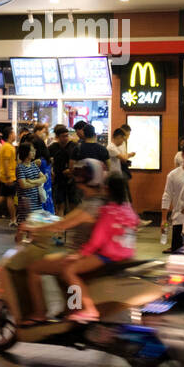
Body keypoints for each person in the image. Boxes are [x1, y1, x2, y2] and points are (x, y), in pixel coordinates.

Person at [18, 159, 109, 324]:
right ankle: (70, 308)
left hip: (82, 254)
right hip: (92, 253)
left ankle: (39, 313)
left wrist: (34, 229)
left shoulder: (90, 206)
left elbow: (62, 224)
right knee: (56, 265)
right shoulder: (99, 201)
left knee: (34, 268)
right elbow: (64, 221)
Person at [160, 142, 184, 254]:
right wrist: (164, 219)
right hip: (179, 219)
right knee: (178, 254)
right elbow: (167, 195)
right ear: (182, 155)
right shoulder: (173, 175)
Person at [14, 141, 46, 219]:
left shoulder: (33, 165)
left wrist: (32, 181)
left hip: (37, 201)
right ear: (26, 152)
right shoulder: (20, 167)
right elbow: (23, 185)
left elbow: (44, 178)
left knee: (34, 224)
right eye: (32, 150)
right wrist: (38, 182)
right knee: (25, 224)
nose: (34, 152)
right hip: (26, 202)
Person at [49, 125, 76, 214]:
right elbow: (46, 160)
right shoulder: (53, 147)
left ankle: (71, 224)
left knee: (73, 203)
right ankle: (60, 224)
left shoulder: (73, 146)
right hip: (58, 178)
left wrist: (71, 170)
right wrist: (51, 171)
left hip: (71, 179)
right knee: (60, 203)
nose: (66, 138)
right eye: (63, 136)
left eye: (67, 135)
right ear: (57, 137)